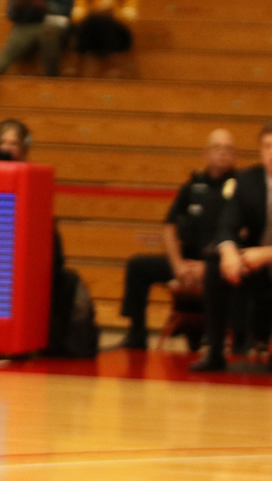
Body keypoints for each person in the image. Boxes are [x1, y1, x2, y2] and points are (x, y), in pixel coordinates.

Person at [114, 130, 237, 351]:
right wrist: (177, 264)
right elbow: (169, 228)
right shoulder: (191, 186)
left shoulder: (240, 188)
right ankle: (137, 332)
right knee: (138, 266)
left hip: (220, 265)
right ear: (206, 154)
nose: (223, 154)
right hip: (185, 262)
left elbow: (243, 235)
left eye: (228, 149)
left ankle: (230, 338)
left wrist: (207, 268)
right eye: (218, 148)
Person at [190, 122, 272, 372]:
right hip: (253, 263)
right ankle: (215, 352)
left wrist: (267, 253)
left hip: (265, 257)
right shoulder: (247, 180)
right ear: (260, 150)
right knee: (216, 265)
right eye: (268, 146)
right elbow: (227, 224)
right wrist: (228, 252)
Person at [70, 0, 139, 77]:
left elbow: (130, 15)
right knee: (93, 21)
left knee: (104, 21)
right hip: (92, 30)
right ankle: (79, 63)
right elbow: (77, 13)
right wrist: (92, 12)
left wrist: (113, 13)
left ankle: (110, 64)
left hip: (118, 33)